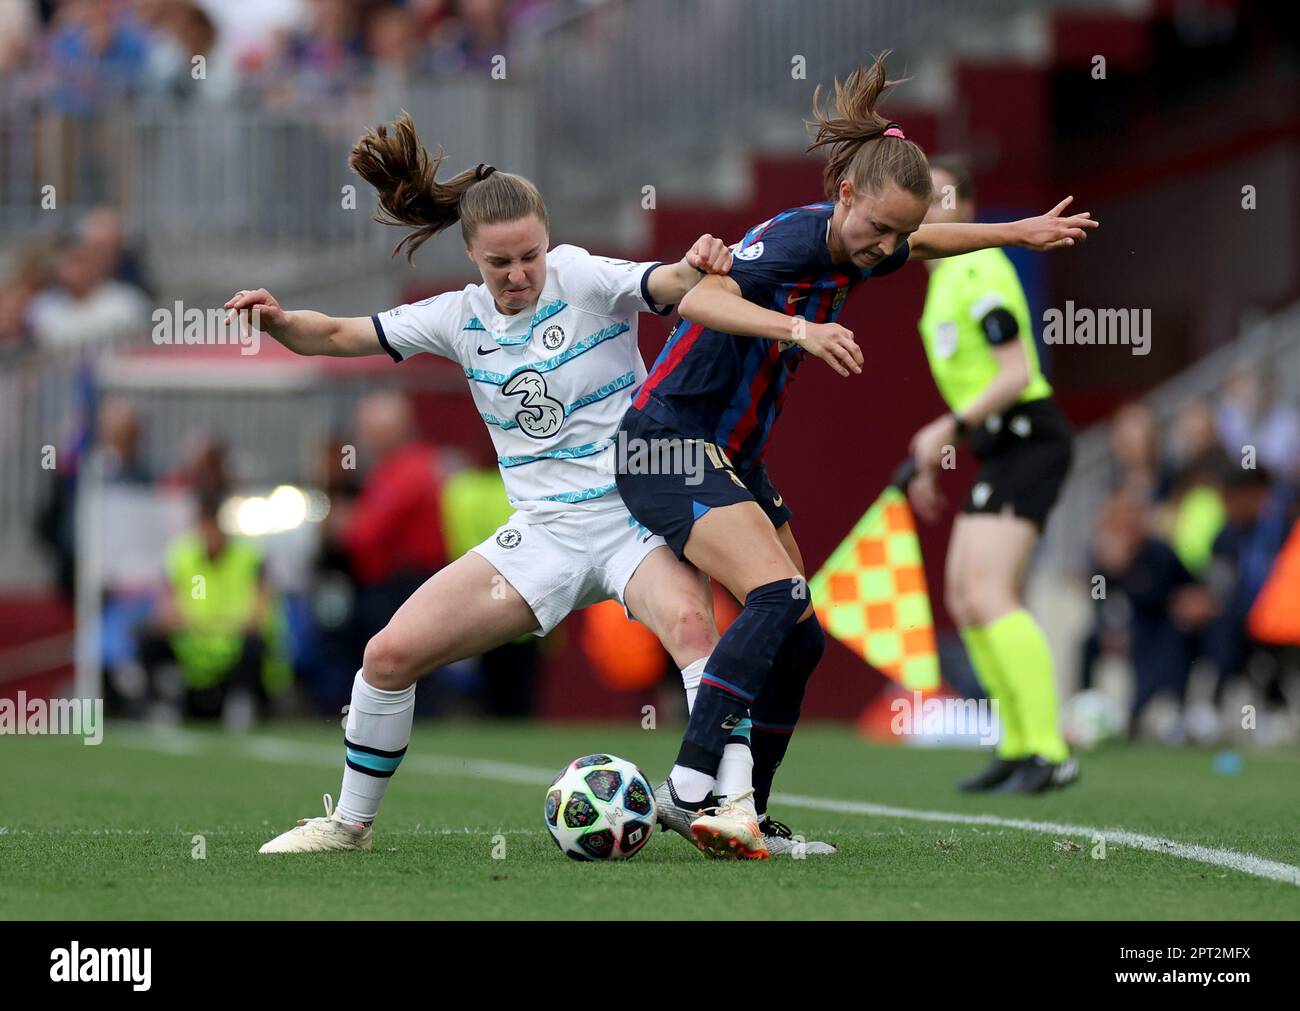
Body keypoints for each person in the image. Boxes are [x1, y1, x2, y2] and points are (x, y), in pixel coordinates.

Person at [235, 113, 803, 858]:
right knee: (385, 656)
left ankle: (735, 811)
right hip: (542, 537)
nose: (519, 274)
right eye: (499, 262)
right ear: (472, 254)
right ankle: (348, 824)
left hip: (633, 514)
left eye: (529, 255)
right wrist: (281, 323)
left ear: (547, 241)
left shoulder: (581, 275)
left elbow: (663, 283)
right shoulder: (456, 317)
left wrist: (695, 264)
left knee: (695, 631)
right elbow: (343, 334)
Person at [615, 54, 1098, 852]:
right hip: (665, 443)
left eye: (897, 236)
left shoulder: (864, 242)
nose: (884, 250)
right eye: (877, 229)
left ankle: (747, 812)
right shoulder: (792, 241)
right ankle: (690, 785)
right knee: (774, 596)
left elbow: (930, 239)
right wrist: (800, 329)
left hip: (729, 454)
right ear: (844, 195)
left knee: (801, 632)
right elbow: (705, 293)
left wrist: (1019, 232)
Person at [905, 156, 1080, 792]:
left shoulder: (977, 265)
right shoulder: (942, 276)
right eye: (922, 197)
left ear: (968, 209)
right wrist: (938, 450)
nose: (929, 208)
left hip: (1031, 439)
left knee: (990, 593)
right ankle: (1016, 744)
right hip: (1000, 448)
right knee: (964, 597)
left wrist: (944, 429)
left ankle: (1050, 748)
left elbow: (1013, 374)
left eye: (942, 197)